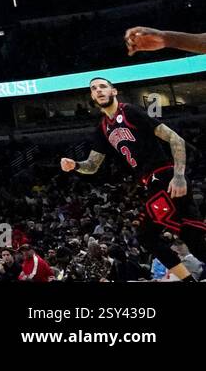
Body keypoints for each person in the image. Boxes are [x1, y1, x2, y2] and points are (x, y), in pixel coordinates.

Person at [59, 77, 206, 281]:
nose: (99, 90)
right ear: (92, 96)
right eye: (94, 88)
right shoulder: (102, 128)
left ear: (114, 91)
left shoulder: (130, 112)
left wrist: (179, 175)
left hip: (164, 177)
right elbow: (92, 165)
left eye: (103, 86)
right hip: (153, 183)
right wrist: (75, 165)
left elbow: (175, 138)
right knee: (195, 241)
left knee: (146, 235)